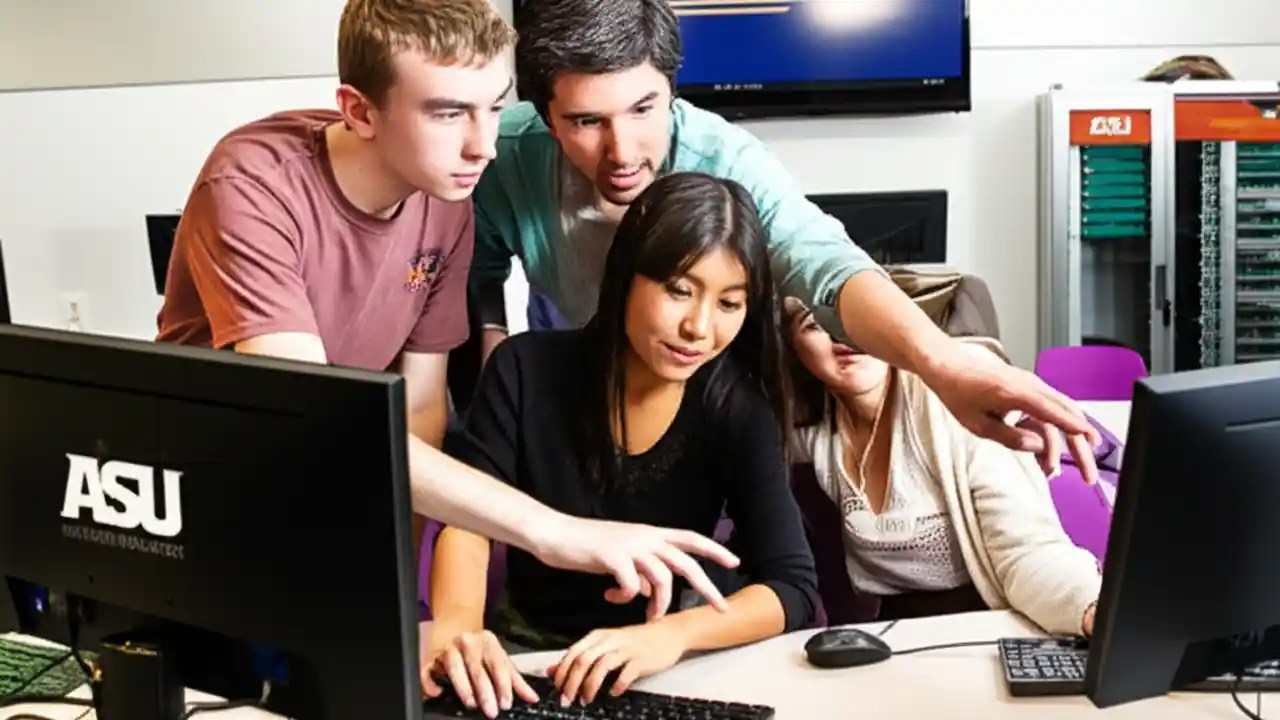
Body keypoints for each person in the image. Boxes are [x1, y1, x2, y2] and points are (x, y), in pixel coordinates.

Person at [154, 0, 742, 647]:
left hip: (335, 477)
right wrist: (557, 531)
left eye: (493, 107)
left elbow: (420, 411)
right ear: (358, 110)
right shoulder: (254, 182)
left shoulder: (447, 199)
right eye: (447, 112)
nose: (483, 145)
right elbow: (312, 414)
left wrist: (401, 591)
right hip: (205, 504)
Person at [466, 0, 1102, 485]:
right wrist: (497, 374)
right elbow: (479, 272)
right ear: (546, 116)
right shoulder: (505, 156)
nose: (623, 152)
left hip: (706, 389)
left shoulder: (724, 157)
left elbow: (820, 260)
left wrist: (940, 362)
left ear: (671, 87)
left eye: (643, 109)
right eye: (586, 122)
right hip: (586, 378)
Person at [423, 173, 819, 717]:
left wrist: (671, 636)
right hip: (531, 655)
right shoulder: (524, 369)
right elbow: (467, 522)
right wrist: (459, 629)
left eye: (730, 303)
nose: (699, 328)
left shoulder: (737, 406)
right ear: (627, 273)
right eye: (679, 290)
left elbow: (791, 587)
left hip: (666, 659)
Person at [782, 296, 1102, 637]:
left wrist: (1095, 612)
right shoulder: (814, 430)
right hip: (887, 638)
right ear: (792, 346)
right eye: (815, 324)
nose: (841, 335)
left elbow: (1030, 550)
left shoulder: (953, 407)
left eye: (855, 316)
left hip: (984, 630)